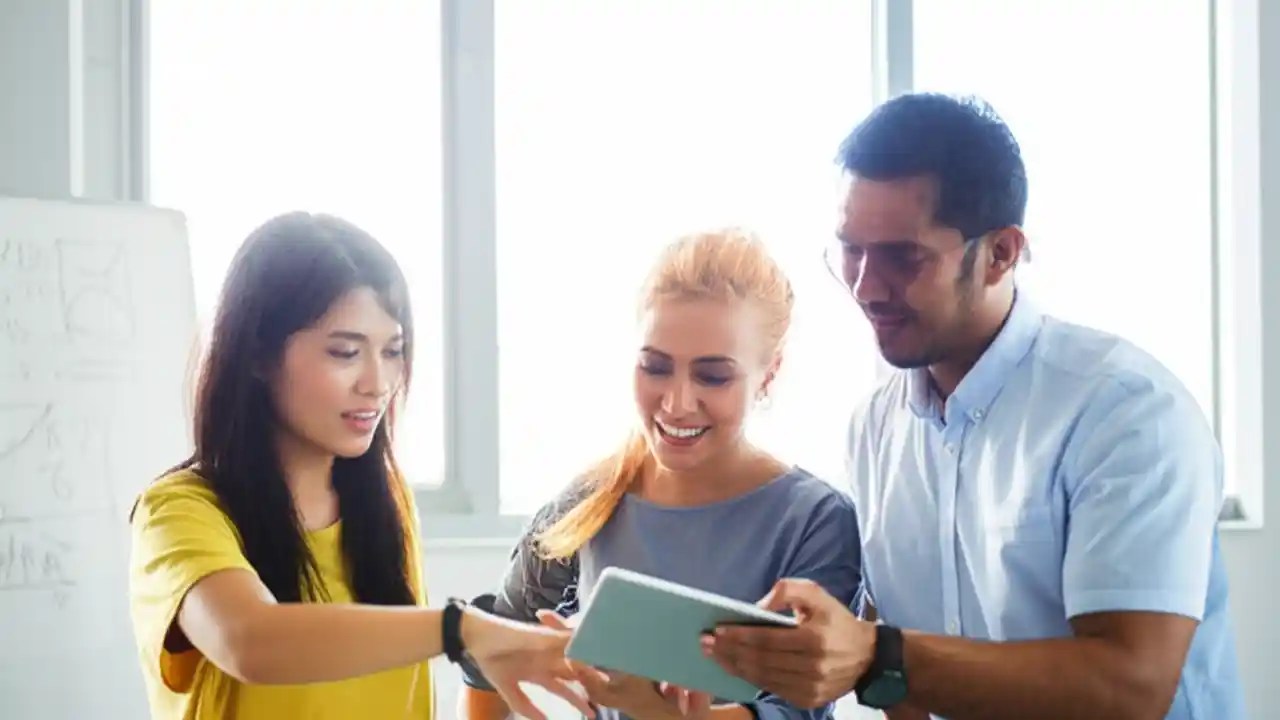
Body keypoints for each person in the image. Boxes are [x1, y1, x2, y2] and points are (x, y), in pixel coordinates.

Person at [703, 93, 1246, 719]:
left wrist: (877, 655)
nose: (863, 286)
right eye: (852, 249)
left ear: (1001, 254)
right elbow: (896, 676)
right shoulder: (875, 429)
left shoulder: (1127, 412)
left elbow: (1128, 687)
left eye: (902, 257)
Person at [127, 212, 594, 720]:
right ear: (259, 355)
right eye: (345, 352)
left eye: (393, 351)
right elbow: (248, 640)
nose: (378, 383)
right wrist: (458, 630)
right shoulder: (178, 511)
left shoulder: (386, 499)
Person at [457, 228, 863, 720]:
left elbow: (797, 712)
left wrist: (653, 711)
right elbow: (490, 651)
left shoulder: (816, 521)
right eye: (655, 367)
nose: (676, 403)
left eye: (712, 376)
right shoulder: (593, 498)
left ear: (769, 373)